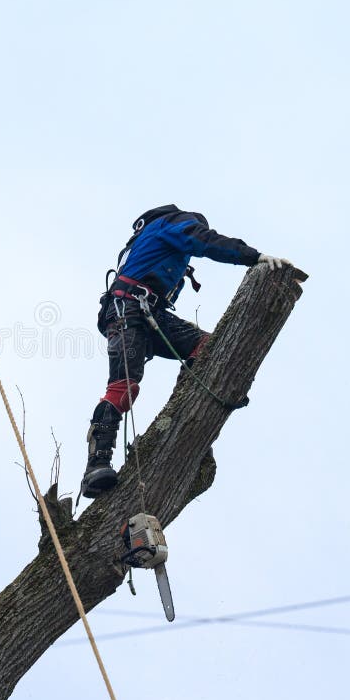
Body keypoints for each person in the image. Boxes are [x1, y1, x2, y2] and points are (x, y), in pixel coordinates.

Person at [81, 204, 289, 499]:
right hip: (128, 308)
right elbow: (201, 240)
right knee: (123, 387)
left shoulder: (144, 240)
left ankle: (185, 406)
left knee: (208, 347)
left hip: (147, 310)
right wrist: (252, 256)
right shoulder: (172, 224)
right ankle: (96, 466)